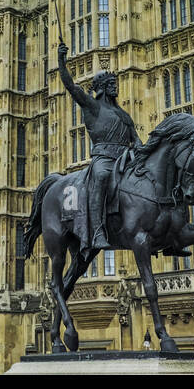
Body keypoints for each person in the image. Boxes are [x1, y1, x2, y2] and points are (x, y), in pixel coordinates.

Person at [56, 42, 143, 250]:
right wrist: (61, 61)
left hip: (125, 159)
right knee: (102, 177)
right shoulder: (92, 107)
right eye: (112, 84)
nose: (116, 87)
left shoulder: (124, 115)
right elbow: (71, 86)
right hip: (103, 159)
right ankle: (96, 231)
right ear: (103, 88)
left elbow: (136, 139)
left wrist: (140, 149)